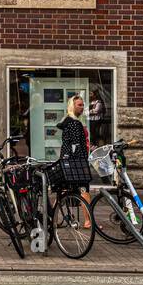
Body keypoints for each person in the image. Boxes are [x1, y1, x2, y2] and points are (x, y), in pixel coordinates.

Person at [59, 94, 91, 228]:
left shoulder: (67, 121)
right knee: (84, 190)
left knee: (63, 190)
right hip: (76, 161)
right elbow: (76, 145)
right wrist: (83, 162)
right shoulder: (75, 123)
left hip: (66, 160)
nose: (82, 107)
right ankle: (89, 221)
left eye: (83, 105)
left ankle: (52, 218)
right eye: (79, 105)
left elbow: (69, 144)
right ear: (72, 106)